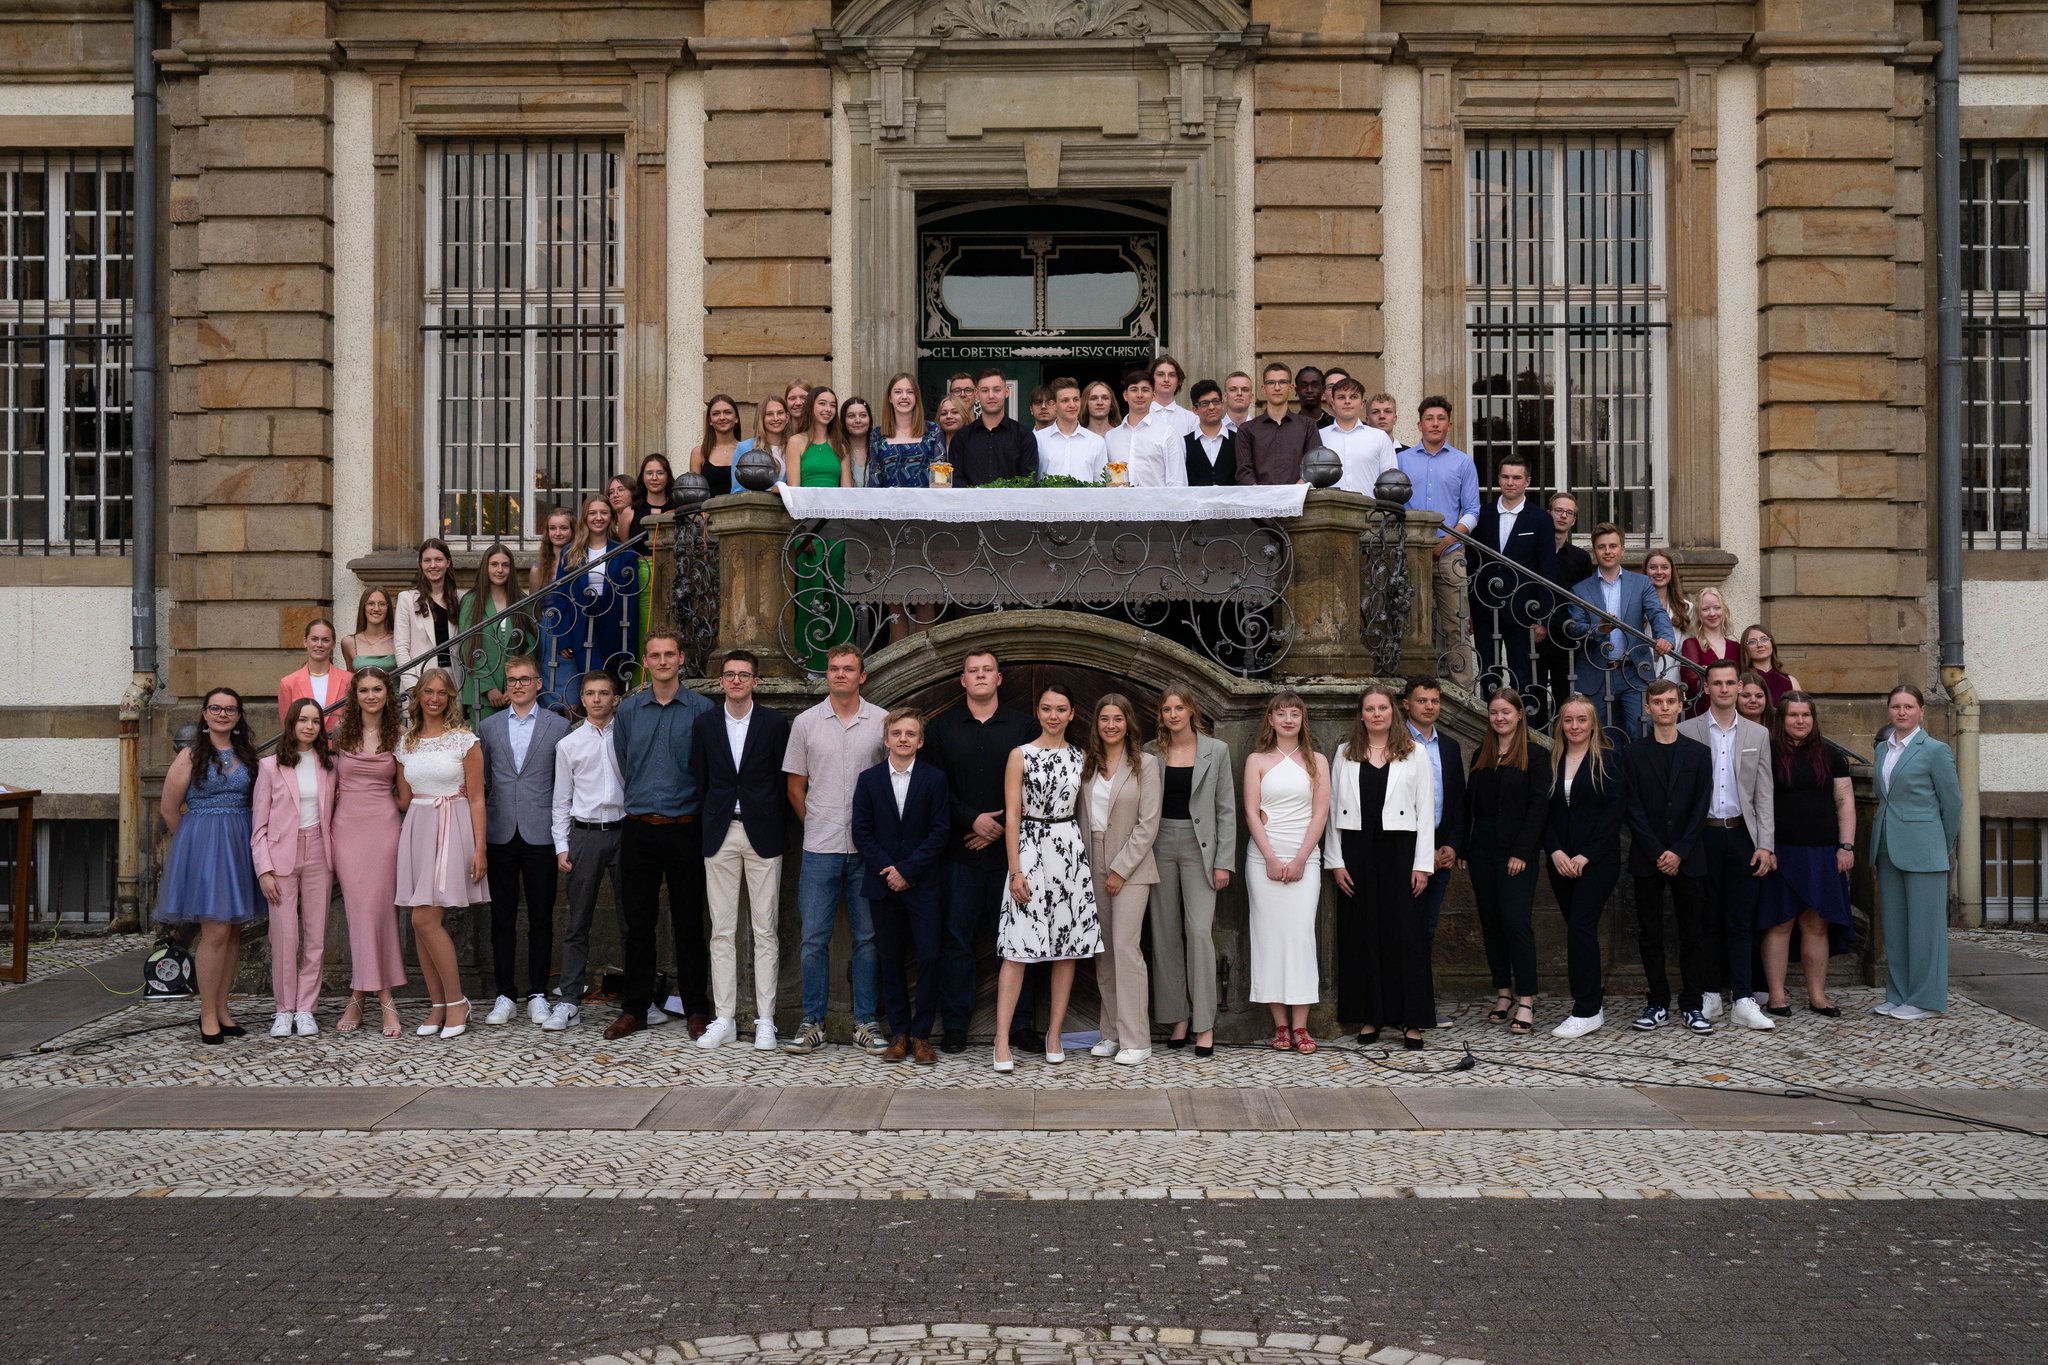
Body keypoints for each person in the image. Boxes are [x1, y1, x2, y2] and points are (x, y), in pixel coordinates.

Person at [925, 649, 1041, 1055]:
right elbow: (935, 789)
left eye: (987, 670)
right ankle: (955, 1024)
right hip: (959, 854)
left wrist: (999, 828)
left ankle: (1023, 1024)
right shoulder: (941, 730)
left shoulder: (1023, 725)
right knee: (956, 939)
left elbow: (1033, 787)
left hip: (1012, 856)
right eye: (972, 671)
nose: (979, 676)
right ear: (962, 680)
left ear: (998, 678)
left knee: (1018, 940)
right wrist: (973, 820)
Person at [606, 631, 715, 1040]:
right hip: (638, 829)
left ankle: (695, 1007)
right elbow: (623, 761)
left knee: (689, 923)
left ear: (682, 658)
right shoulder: (630, 710)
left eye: (671, 653)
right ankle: (635, 1007)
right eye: (656, 655)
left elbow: (705, 770)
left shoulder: (702, 710)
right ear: (646, 662)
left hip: (686, 829)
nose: (664, 660)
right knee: (638, 924)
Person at [783, 643, 890, 1056]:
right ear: (826, 675)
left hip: (868, 850)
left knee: (867, 938)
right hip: (820, 847)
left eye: (848, 668)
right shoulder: (806, 723)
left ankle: (865, 1021)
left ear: (862, 676)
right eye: (833, 669)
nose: (840, 674)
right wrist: (815, 823)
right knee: (813, 938)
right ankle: (813, 1022)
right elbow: (795, 785)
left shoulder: (881, 722)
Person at [993, 684, 1102, 1072]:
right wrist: (1015, 870)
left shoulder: (1082, 758)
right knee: (1017, 948)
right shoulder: (1019, 755)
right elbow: (1011, 817)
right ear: (1037, 713)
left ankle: (1055, 1033)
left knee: (1068, 948)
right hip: (1029, 848)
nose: (1053, 715)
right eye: (1046, 708)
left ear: (1072, 714)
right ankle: (1001, 1038)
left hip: (1068, 851)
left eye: (1060, 709)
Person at [690, 649, 791, 1050]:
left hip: (763, 833)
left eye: (743, 675)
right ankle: (725, 1017)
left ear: (755, 682)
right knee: (722, 930)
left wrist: (770, 817)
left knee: (765, 929)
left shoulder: (773, 723)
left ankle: (766, 1019)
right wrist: (713, 816)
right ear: (720, 682)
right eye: (729, 675)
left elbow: (784, 778)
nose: (735, 681)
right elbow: (700, 778)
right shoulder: (704, 724)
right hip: (720, 832)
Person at [1327, 684, 1436, 1050]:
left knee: (1405, 935)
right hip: (1357, 851)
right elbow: (1330, 813)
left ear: (1394, 712)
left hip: (1400, 851)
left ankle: (1411, 1020)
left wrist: (1422, 864)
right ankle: (1370, 1016)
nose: (1377, 714)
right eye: (1370, 708)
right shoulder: (1344, 753)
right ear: (1361, 714)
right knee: (1363, 933)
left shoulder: (1415, 753)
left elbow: (1425, 813)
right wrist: (1336, 861)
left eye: (1383, 708)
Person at [156, 687, 267, 1044]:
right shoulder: (190, 756)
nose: (223, 714)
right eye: (216, 708)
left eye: (230, 709)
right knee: (216, 931)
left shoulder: (247, 755)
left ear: (238, 716)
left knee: (234, 929)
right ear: (204, 714)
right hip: (205, 847)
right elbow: (169, 809)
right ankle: (206, 1013)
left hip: (239, 842)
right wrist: (195, 842)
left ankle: (222, 1008)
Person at [1677, 658, 1780, 1032]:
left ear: (1740, 687)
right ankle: (1708, 994)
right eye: (1716, 683)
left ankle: (1743, 997)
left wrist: (1766, 845)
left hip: (1741, 835)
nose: (1723, 689)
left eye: (1729, 683)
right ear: (1706, 687)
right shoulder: (1686, 730)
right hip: (1700, 834)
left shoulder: (1757, 735)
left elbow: (1765, 794)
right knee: (1703, 918)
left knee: (1741, 919)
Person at [853, 707, 953, 1065]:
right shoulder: (869, 780)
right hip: (882, 885)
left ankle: (923, 1034)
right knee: (890, 959)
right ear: (886, 739)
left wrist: (907, 870)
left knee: (929, 957)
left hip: (923, 884)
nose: (903, 739)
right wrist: (888, 869)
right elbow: (861, 832)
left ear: (920, 740)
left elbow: (940, 831)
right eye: (897, 733)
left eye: (910, 734)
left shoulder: (934, 779)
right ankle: (899, 1033)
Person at [394, 667, 487, 1040]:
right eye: (427, 692)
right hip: (417, 827)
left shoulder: (465, 741)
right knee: (420, 920)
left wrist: (480, 847)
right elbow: (402, 798)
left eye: (441, 693)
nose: (434, 698)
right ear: (417, 698)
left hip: (453, 824)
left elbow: (478, 797)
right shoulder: (406, 743)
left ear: (450, 698)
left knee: (425, 920)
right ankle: (438, 1004)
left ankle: (457, 1001)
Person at [477, 656, 568, 1027]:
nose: (517, 685)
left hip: (541, 832)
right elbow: (481, 783)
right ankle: (504, 994)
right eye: (512, 680)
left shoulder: (559, 727)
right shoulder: (488, 726)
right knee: (501, 916)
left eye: (525, 679)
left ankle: (537, 993)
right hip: (500, 832)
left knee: (542, 917)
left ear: (538, 684)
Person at [1620, 678, 1713, 1034]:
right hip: (1648, 857)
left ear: (1680, 706)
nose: (1664, 707)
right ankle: (1657, 1001)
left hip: (1689, 857)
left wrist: (1679, 851)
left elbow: (1700, 806)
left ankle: (1692, 1004)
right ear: (1647, 708)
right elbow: (1632, 808)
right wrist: (1659, 851)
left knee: (1693, 933)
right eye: (1657, 702)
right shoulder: (1632, 754)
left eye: (1670, 702)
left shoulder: (1699, 753)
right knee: (1650, 933)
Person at [1147, 684, 1234, 1056]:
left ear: (1192, 711)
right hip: (1159, 844)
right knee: (1165, 934)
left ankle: (1204, 1024)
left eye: (1179, 708)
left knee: (1198, 932)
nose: (1173, 715)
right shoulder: (1151, 752)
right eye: (1167, 709)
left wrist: (1223, 862)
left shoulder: (1216, 750)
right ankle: (1177, 1017)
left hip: (1202, 849)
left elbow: (1226, 809)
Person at [1244, 690, 1331, 1053]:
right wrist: (1269, 857)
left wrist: (1298, 859)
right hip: (1263, 857)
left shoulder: (1318, 761)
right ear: (1271, 719)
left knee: (1300, 938)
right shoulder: (1256, 760)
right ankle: (1279, 1025)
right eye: (1282, 713)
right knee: (1268, 939)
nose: (1288, 719)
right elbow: (1251, 811)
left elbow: (1320, 813)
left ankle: (1301, 1026)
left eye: (1295, 713)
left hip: (1304, 858)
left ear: (1302, 720)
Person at [1078, 692, 1163, 1066]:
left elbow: (1148, 825)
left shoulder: (1145, 764)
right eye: (1103, 719)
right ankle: (1110, 1032)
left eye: (1117, 718)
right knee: (1105, 953)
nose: (1110, 725)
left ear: (1128, 723)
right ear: (1096, 724)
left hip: (1132, 864)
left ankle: (1137, 1039)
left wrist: (1119, 869)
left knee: (1127, 950)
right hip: (1091, 857)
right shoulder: (1088, 764)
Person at [1761, 692, 1856, 1018]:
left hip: (1822, 852)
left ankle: (1817, 996)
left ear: (1813, 719)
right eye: (1793, 715)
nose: (1800, 720)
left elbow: (1844, 802)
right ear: (1781, 719)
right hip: (1781, 851)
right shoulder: (1768, 753)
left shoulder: (1831, 756)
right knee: (1780, 923)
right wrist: (1766, 847)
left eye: (1805, 715)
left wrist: (1846, 846)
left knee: (1816, 926)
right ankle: (1776, 997)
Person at [1462, 687, 1551, 1036]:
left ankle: (1526, 999)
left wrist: (1521, 851)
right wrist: (1465, 849)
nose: (1500, 718)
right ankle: (1503, 993)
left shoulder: (1537, 755)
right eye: (1494, 712)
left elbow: (1538, 807)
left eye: (1506, 712)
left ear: (1519, 715)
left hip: (1517, 853)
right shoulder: (1480, 755)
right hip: (1482, 851)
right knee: (1491, 922)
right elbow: (1471, 805)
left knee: (1516, 922)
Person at [1871, 684, 1962, 1020]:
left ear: (1922, 711)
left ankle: (1925, 999)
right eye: (1896, 706)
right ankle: (1899, 994)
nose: (1902, 712)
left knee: (1925, 928)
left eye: (1909, 706)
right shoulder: (1883, 749)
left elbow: (1952, 804)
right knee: (1895, 928)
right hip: (1888, 846)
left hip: (1925, 848)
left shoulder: (1935, 750)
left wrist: (1942, 844)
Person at [546, 669, 627, 1032]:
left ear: (616, 699)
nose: (596, 699)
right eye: (590, 693)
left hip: (625, 831)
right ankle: (569, 1000)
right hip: (585, 834)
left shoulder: (627, 737)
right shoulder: (569, 745)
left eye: (604, 693)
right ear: (582, 698)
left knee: (632, 920)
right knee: (578, 920)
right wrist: (562, 845)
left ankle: (636, 998)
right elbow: (560, 800)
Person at [252, 698, 337, 1038]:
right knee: (285, 937)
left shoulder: (329, 764)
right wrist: (264, 870)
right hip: (281, 856)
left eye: (315, 721)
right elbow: (258, 826)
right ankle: (283, 1010)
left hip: (319, 850)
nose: (309, 726)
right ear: (291, 723)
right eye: (303, 719)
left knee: (315, 935)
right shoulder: (270, 767)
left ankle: (306, 1009)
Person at [1544, 694, 1628, 1038]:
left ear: (1593, 724)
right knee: (1578, 930)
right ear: (1560, 724)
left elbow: (1614, 813)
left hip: (1597, 861)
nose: (1575, 726)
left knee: (1580, 925)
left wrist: (1585, 855)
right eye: (1568, 720)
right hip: (1560, 861)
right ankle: (1591, 1004)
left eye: (1581, 720)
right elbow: (1544, 812)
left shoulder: (1608, 759)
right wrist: (1555, 851)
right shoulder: (1553, 758)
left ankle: (1587, 1009)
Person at [331, 668, 406, 1038]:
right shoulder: (339, 734)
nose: (371, 695)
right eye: (364, 690)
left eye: (377, 689)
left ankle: (367, 997)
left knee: (379, 912)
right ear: (355, 694)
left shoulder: (400, 735)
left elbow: (405, 795)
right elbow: (328, 784)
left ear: (387, 694)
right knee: (357, 912)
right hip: (346, 830)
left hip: (384, 828)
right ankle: (377, 998)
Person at [1396, 396, 1482, 689]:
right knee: (1411, 626)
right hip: (1409, 554)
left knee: (1456, 626)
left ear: (1449, 424)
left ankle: (1464, 691)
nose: (1435, 423)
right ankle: (1413, 687)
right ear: (1419, 424)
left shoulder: (1463, 462)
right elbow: (1393, 505)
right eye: (1429, 418)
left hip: (1451, 555)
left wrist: (1447, 541)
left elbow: (1472, 511)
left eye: (1440, 418)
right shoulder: (1401, 460)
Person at [1567, 522, 1674, 744]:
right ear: (1594, 551)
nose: (1608, 551)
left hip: (1633, 671)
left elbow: (1657, 613)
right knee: (1600, 737)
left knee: (1641, 730)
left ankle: (1638, 779)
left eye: (1613, 546)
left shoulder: (1641, 582)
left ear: (1622, 549)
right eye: (1602, 547)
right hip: (1595, 673)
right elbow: (1574, 627)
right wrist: (1599, 630)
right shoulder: (1580, 589)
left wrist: (1665, 637)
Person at [1401, 677, 1466, 1021]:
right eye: (1422, 700)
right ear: (1406, 704)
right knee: (1403, 927)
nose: (1429, 706)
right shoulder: (1396, 743)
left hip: (1440, 851)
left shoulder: (1451, 747)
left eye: (1435, 701)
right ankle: (1401, 1002)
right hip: (1405, 851)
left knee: (1427, 928)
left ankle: (1421, 1004)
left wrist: (1452, 846)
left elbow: (1458, 800)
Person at [1467, 455, 1556, 701]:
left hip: (1524, 611)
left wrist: (1542, 618)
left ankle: (1523, 731)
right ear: (1498, 479)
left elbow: (1546, 570)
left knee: (1523, 675)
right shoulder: (1482, 515)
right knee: (1488, 673)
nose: (1510, 482)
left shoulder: (1540, 519)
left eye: (1516, 477)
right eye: (1505, 477)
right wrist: (1470, 610)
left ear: (1527, 481)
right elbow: (1472, 564)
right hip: (1485, 610)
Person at [551, 496, 640, 695]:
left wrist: (630, 644)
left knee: (612, 682)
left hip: (614, 626)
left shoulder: (625, 553)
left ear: (611, 516)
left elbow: (631, 601)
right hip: (582, 626)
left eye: (603, 512)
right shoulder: (570, 552)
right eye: (592, 513)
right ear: (585, 517)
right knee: (592, 679)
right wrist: (563, 636)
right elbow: (560, 596)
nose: (598, 518)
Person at [1538, 491, 1593, 724]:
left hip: (1566, 637)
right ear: (1548, 513)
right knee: (1534, 694)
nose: (1563, 516)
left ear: (1573, 520)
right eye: (1558, 510)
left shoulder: (1580, 558)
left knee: (1565, 697)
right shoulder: (1535, 551)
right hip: (1535, 633)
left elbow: (1585, 599)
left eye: (1569, 513)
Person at [457, 542, 526, 722]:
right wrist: (489, 688)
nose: (500, 570)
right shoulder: (471, 601)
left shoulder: (522, 601)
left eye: (505, 565)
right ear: (485, 568)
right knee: (482, 748)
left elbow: (529, 648)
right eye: (494, 564)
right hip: (481, 694)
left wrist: (515, 686)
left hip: (517, 693)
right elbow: (468, 648)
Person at [1234, 361, 1319, 486]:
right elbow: (1243, 472)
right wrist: (1264, 497)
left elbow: (1314, 465)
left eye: (1282, 382)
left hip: (1299, 500)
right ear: (1263, 388)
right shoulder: (1247, 429)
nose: (1277, 388)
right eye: (1271, 383)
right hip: (1260, 501)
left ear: (1291, 388)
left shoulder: (1307, 425)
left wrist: (1295, 492)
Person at [947, 369, 1036, 486]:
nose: (991, 396)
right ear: (977, 394)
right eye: (985, 390)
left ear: (1006, 392)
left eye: (997, 390)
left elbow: (1028, 481)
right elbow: (956, 480)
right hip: (970, 503)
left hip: (1012, 504)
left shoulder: (1024, 436)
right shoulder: (961, 437)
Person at [392, 538, 460, 688]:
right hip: (419, 679)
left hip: (453, 681)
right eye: (427, 560)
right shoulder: (407, 599)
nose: (433, 565)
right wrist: (412, 685)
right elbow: (401, 647)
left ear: (448, 562)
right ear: (421, 564)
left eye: (438, 560)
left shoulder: (460, 599)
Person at [1104, 366, 1182, 487]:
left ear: (1153, 395)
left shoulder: (1167, 433)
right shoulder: (1111, 437)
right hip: (1121, 505)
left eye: (1145, 390)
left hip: (1157, 505)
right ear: (1125, 395)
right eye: (1134, 390)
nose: (1139, 395)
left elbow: (1177, 482)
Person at [1320, 378, 1399, 495]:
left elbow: (1390, 482)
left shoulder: (1379, 437)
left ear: (1362, 404)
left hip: (1370, 511)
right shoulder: (1320, 435)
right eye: (1341, 397)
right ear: (1333, 404)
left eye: (1353, 397)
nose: (1347, 401)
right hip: (1329, 510)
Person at [531, 506, 578, 703]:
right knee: (548, 695)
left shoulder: (579, 562)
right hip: (547, 637)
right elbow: (535, 609)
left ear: (573, 531)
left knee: (572, 696)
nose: (557, 533)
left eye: (563, 528)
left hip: (571, 630)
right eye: (552, 528)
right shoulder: (538, 568)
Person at [871, 372, 946, 489]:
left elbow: (941, 481)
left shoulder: (934, 431)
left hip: (926, 505)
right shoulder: (877, 434)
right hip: (889, 506)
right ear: (890, 398)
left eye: (910, 392)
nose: (904, 396)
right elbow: (874, 482)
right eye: (898, 392)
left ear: (916, 397)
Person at [277, 618, 351, 734]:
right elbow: (288, 727)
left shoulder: (348, 680)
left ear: (333, 644)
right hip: (303, 750)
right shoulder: (288, 683)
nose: (319, 645)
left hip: (338, 749)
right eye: (314, 639)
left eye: (325, 640)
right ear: (305, 642)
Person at [1035, 375, 1110, 483]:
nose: (1072, 405)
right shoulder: (1038, 439)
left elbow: (1102, 484)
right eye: (1065, 400)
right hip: (1047, 500)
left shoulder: (1096, 442)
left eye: (1075, 399)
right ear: (1053, 405)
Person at [1680, 585, 1740, 716]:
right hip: (1702, 711)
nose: (1712, 613)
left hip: (1732, 712)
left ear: (1724, 610)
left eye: (1717, 608)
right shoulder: (1692, 645)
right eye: (1705, 609)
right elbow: (1691, 682)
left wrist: (1707, 674)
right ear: (1698, 614)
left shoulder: (1735, 646)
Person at [1643, 550, 1693, 685]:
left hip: (1673, 678)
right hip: (1640, 677)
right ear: (1645, 572)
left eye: (1664, 567)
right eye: (1653, 567)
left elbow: (1687, 649)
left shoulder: (1687, 608)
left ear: (1672, 571)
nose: (1659, 572)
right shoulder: (1635, 606)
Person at [1182, 380, 1239, 487]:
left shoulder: (1238, 440)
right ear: (1195, 410)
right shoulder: (1184, 443)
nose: (1212, 407)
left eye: (1216, 401)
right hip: (1196, 503)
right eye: (1204, 403)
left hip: (1232, 502)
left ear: (1222, 404)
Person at [689, 396, 744, 498]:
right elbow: (694, 494)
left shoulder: (746, 450)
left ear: (736, 418)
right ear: (710, 420)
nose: (722, 417)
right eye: (716, 414)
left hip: (740, 512)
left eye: (727, 412)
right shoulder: (699, 453)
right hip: (709, 513)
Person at [1740, 624, 1801, 708]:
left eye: (1764, 639)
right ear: (1745, 648)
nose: (1760, 645)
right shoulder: (1742, 680)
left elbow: (1802, 712)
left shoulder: (1790, 681)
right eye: (1752, 642)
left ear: (1772, 644)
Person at [733, 396, 790, 484]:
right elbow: (737, 490)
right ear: (761, 418)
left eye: (780, 413)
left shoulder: (793, 447)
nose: (775, 418)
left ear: (787, 417)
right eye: (769, 414)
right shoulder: (744, 448)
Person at [341, 587, 397, 673]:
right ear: (363, 606)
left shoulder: (398, 640)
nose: (376, 609)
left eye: (382, 604)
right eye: (371, 603)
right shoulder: (349, 643)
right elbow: (350, 679)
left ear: (388, 608)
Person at [1148, 354, 1199, 438]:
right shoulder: (1141, 416)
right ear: (1151, 379)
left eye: (1172, 375)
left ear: (1178, 381)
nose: (1166, 379)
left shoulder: (1191, 419)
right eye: (1161, 374)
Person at [633, 452, 679, 525]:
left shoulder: (678, 511)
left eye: (660, 473)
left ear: (668, 477)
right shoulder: (630, 512)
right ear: (642, 477)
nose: (654, 478)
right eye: (649, 473)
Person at [840, 396, 875, 486]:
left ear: (870, 419)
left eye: (863, 415)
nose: (858, 420)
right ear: (843, 421)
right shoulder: (837, 450)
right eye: (851, 416)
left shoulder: (878, 449)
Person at [607, 473, 641, 543]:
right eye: (611, 492)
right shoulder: (606, 522)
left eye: (621, 490)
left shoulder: (640, 519)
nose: (615, 495)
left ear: (633, 492)